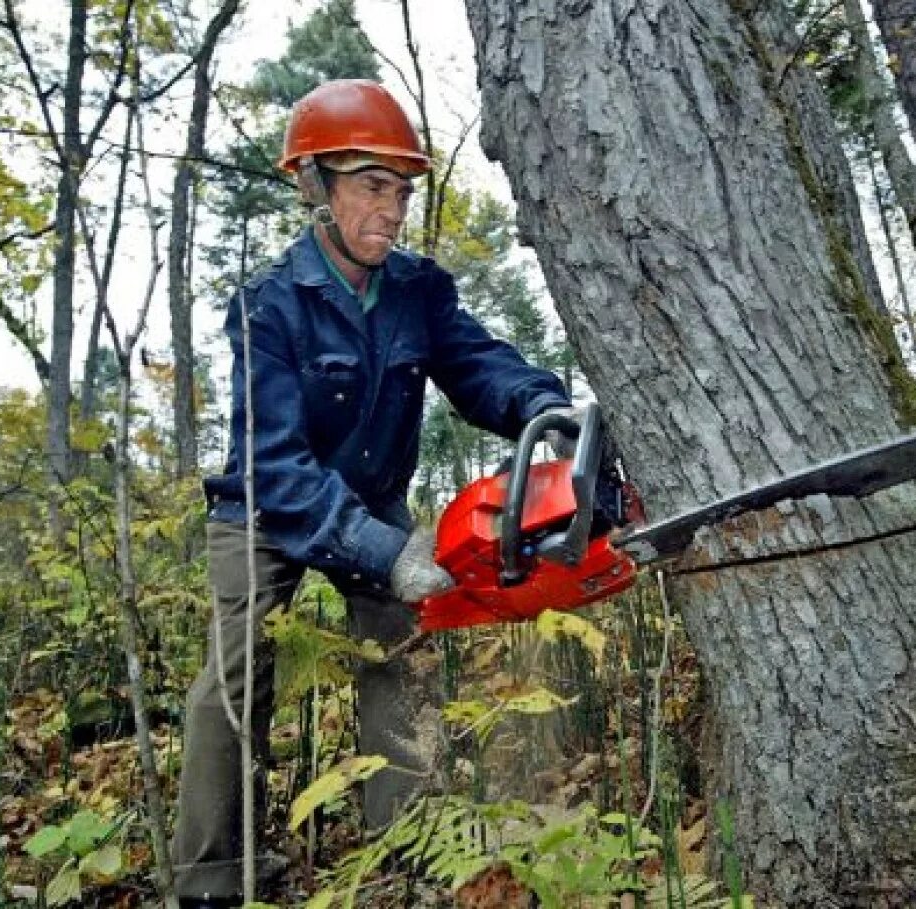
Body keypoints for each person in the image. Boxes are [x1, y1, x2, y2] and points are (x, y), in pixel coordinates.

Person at [170, 79, 574, 908]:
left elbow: (476, 364)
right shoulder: (268, 304)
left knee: (401, 646)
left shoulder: (418, 290)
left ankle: (408, 840)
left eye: (400, 190)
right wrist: (386, 550)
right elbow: (275, 464)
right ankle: (211, 875)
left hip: (374, 500)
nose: (390, 209)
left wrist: (541, 405)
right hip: (267, 508)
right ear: (315, 186)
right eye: (370, 186)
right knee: (234, 672)